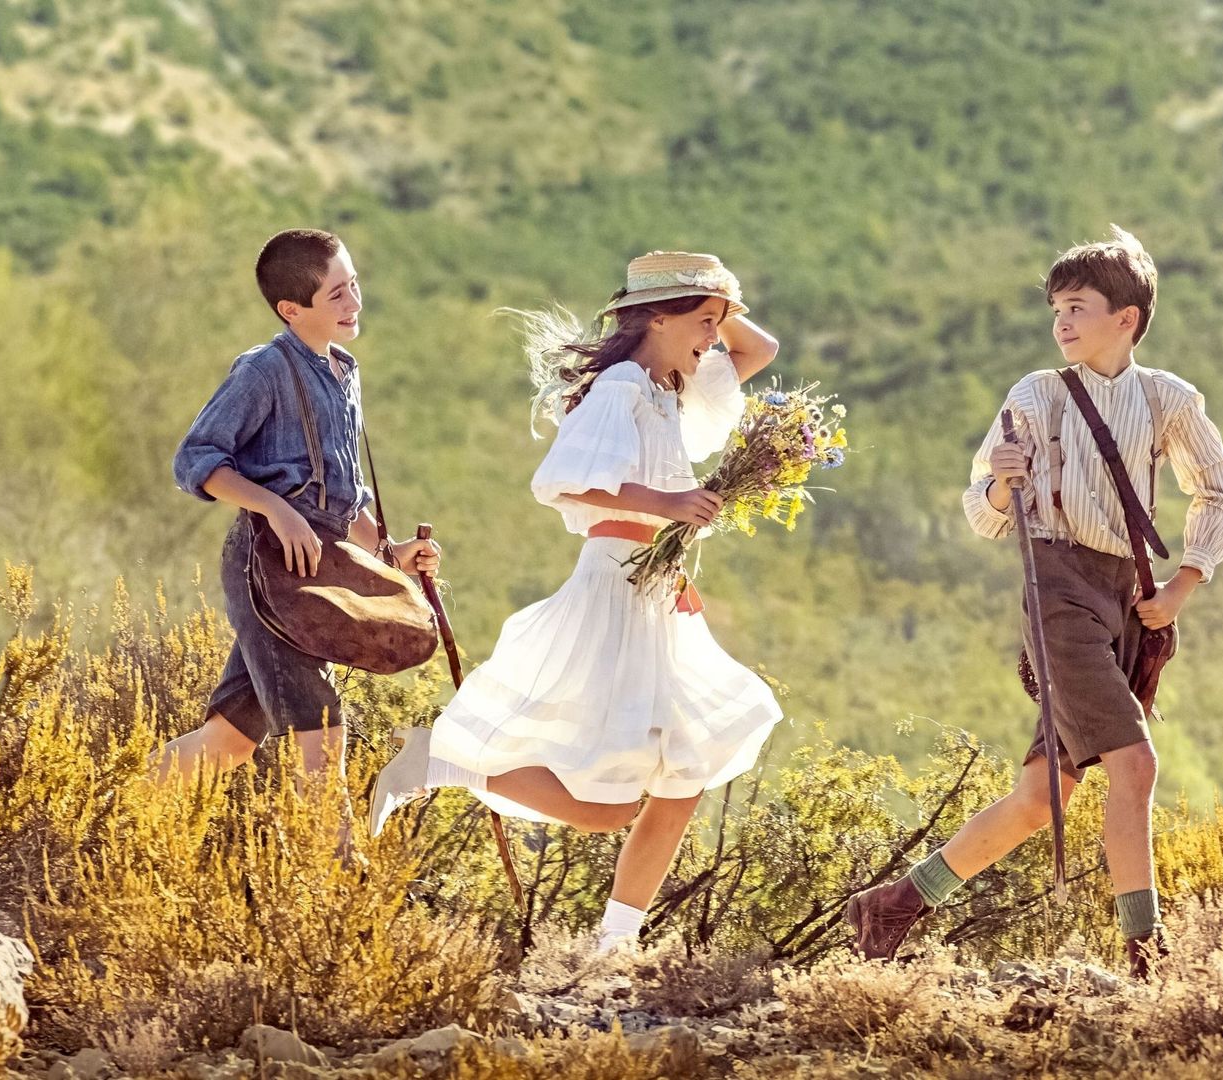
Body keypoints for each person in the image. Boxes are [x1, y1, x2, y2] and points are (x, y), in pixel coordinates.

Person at [843, 226, 1223, 979]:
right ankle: (1147, 955)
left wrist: (1183, 585)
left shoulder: (1168, 398)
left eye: (1077, 308)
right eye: (1057, 309)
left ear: (1126, 318)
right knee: (1135, 765)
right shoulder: (1036, 394)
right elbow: (984, 513)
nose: (1061, 322)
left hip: (1129, 597)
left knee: (1041, 797)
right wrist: (1002, 480)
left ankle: (895, 903)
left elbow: (1222, 493)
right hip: (1056, 589)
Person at [370, 251, 784, 953]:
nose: (715, 338)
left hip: (658, 590)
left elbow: (759, 349)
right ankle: (440, 762)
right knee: (612, 804)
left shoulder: (670, 390)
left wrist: (716, 298)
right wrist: (668, 503)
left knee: (682, 776)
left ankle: (616, 943)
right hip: (616, 583)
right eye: (703, 322)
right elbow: (562, 481)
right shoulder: (621, 385)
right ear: (658, 317)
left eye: (717, 324)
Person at [157, 228, 440, 809]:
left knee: (229, 742)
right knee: (321, 734)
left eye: (354, 285)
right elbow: (196, 460)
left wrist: (390, 553)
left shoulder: (344, 372)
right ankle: (335, 862)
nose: (354, 302)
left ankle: (103, 811)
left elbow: (342, 497)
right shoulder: (263, 370)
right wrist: (274, 507)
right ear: (291, 309)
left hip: (320, 569)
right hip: (269, 566)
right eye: (336, 294)